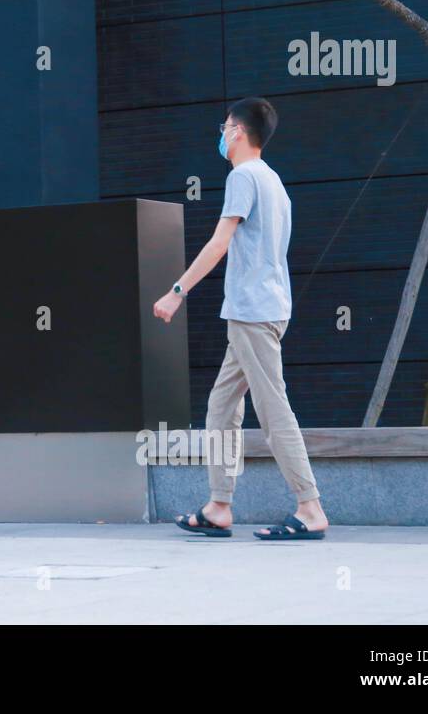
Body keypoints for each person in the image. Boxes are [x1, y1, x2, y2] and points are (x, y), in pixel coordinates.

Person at [151, 97, 329, 540]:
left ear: (238, 131)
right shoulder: (274, 182)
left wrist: (177, 292)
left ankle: (309, 507)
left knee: (272, 408)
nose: (221, 134)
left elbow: (219, 242)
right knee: (221, 407)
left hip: (254, 313)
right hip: (261, 310)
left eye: (224, 127)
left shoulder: (243, 176)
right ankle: (219, 505)